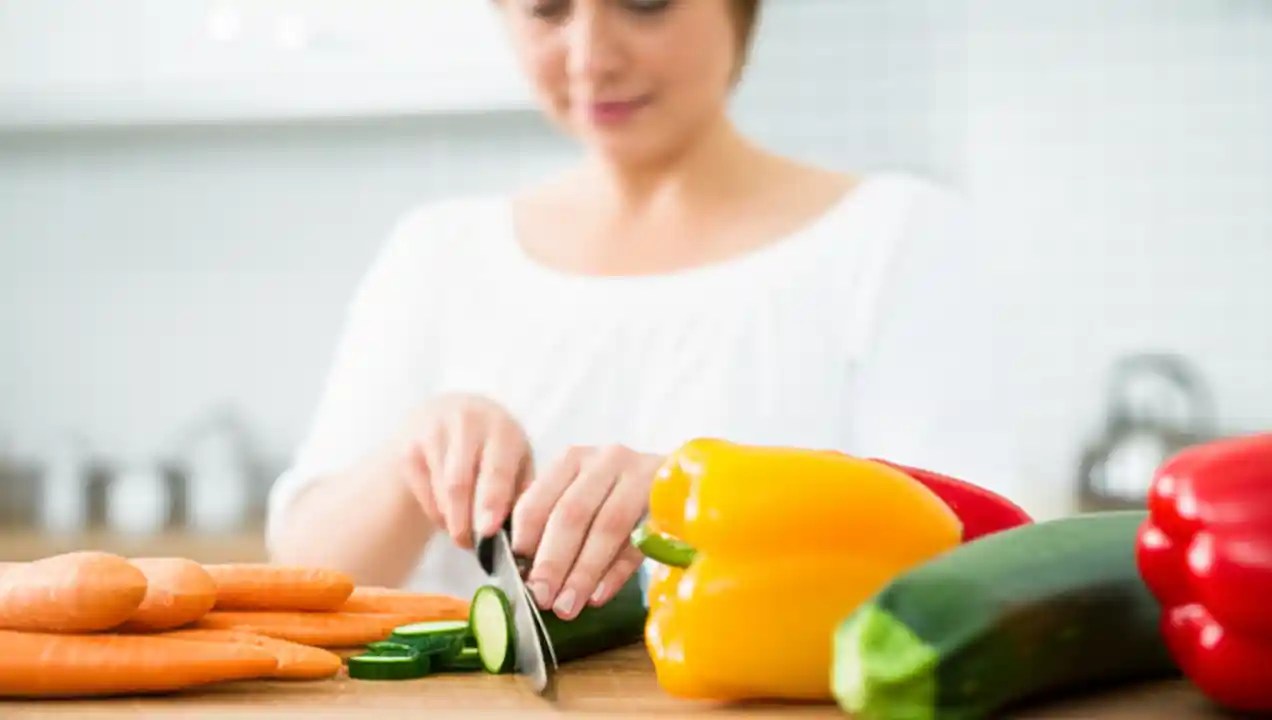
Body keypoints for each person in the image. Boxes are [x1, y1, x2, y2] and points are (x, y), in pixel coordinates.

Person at [265, 0, 1015, 621]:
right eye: (547, 10)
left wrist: (708, 495)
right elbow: (304, 579)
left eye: (645, 3)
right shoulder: (438, 250)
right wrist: (414, 456)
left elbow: (983, 555)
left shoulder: (899, 234)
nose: (591, 56)